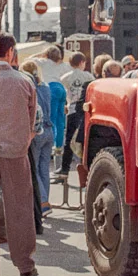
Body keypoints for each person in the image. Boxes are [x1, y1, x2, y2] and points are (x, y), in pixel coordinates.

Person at [0, 34, 37, 276]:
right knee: (20, 207)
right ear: (10, 51)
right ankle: (24, 263)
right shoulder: (23, 81)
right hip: (14, 150)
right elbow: (32, 123)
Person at [20, 60, 54, 220]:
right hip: (49, 129)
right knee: (44, 169)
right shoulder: (46, 87)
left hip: (37, 131)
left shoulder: (29, 87)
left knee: (34, 170)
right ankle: (45, 201)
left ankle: (43, 203)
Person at [55, 50, 93, 182]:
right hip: (83, 110)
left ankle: (64, 168)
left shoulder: (65, 77)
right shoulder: (88, 76)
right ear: (82, 62)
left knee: (69, 140)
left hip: (71, 109)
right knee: (83, 140)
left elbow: (65, 93)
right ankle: (86, 168)